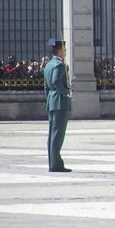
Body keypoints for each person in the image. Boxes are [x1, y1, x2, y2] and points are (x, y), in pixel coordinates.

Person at [44, 39, 71, 173]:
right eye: (64, 49)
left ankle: (53, 162)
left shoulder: (49, 64)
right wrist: (65, 93)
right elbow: (55, 81)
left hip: (52, 100)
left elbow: (46, 86)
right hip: (59, 101)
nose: (65, 51)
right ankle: (56, 164)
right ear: (60, 50)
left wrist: (49, 99)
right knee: (58, 134)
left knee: (52, 134)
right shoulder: (59, 65)